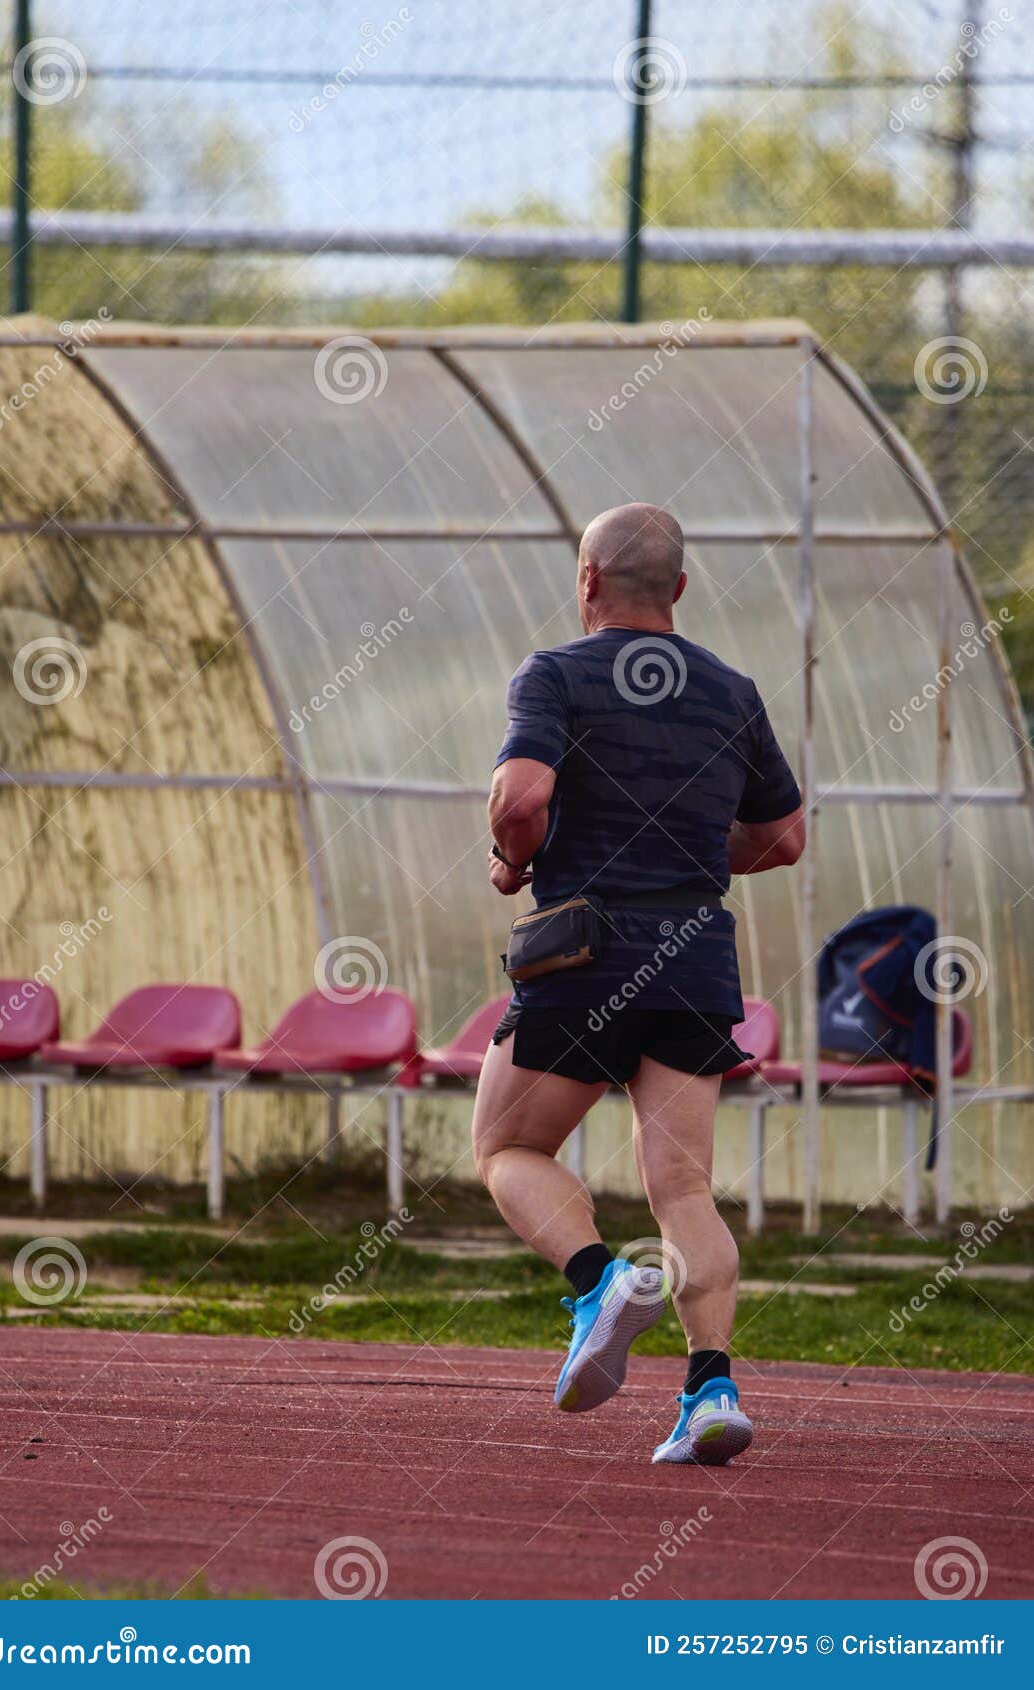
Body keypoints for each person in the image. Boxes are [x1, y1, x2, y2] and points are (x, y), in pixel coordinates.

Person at [472, 502, 804, 1466]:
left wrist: (511, 857)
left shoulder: (556, 674)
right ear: (680, 590)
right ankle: (710, 1393)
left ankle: (595, 1282)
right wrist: (692, 850)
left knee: (507, 1146)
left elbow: (521, 796)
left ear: (585, 583)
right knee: (683, 1187)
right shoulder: (732, 692)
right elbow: (780, 839)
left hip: (585, 958)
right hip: (697, 959)